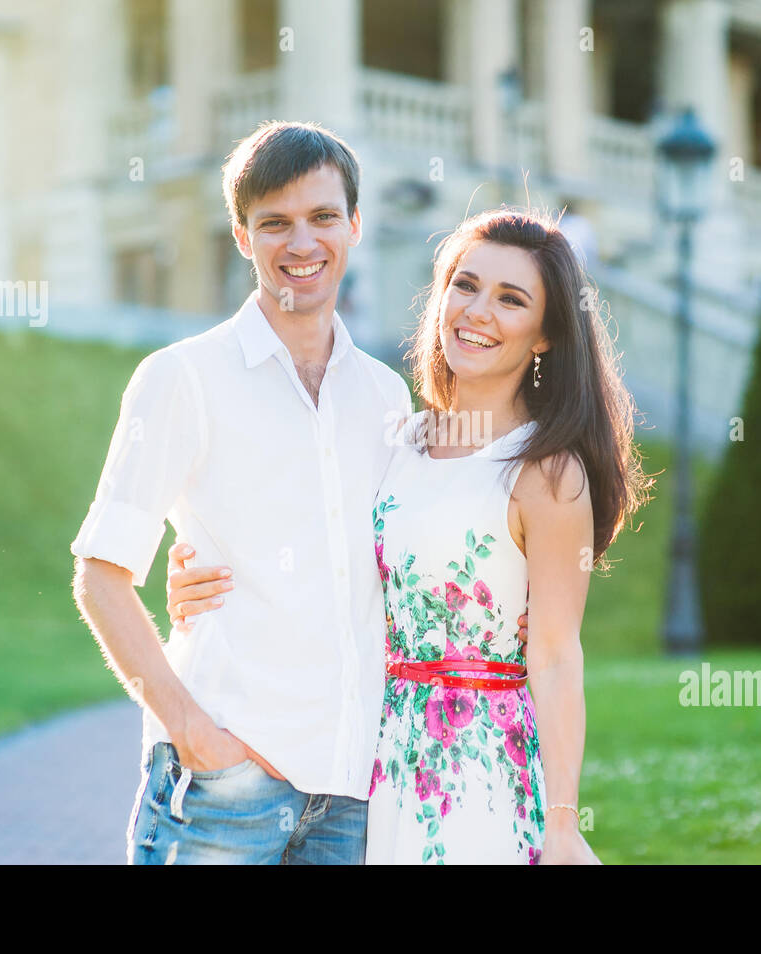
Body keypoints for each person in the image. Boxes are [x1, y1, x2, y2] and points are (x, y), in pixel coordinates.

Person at [168, 207, 649, 864]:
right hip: (376, 760)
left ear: (544, 337)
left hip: (481, 769)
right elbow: (317, 552)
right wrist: (198, 575)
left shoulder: (548, 472)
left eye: (511, 299)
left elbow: (559, 657)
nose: (478, 310)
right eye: (465, 285)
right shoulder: (400, 436)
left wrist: (561, 825)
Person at [71, 121, 412, 864]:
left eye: (323, 217)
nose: (302, 244)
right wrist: (192, 731)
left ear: (355, 224)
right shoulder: (183, 377)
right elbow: (100, 575)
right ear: (240, 236)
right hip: (227, 786)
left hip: (352, 794)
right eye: (275, 223)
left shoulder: (387, 395)